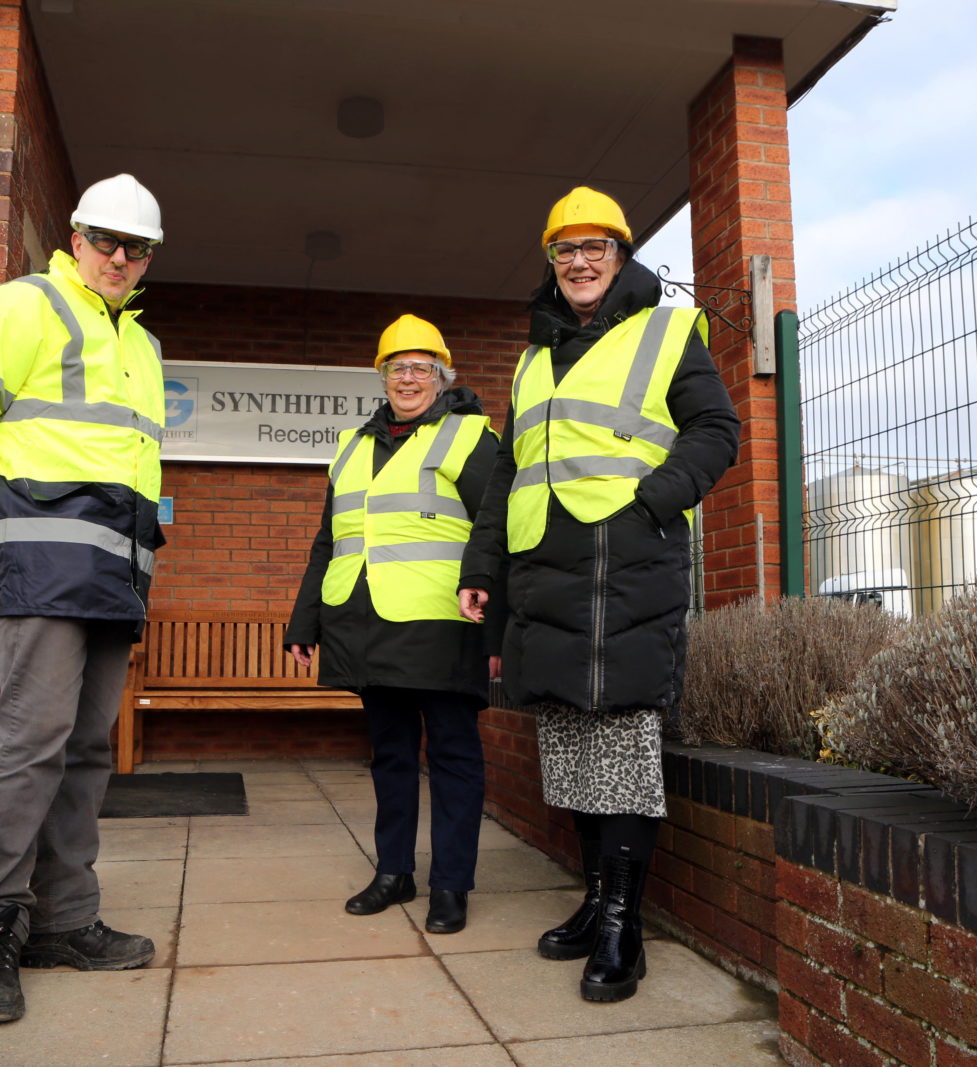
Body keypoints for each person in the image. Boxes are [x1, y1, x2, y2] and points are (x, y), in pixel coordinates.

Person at [458, 187, 740, 1002]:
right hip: (546, 571)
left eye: (595, 249)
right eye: (564, 250)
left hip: (627, 571)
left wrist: (653, 499)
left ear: (620, 257)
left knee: (620, 750)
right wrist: (484, 570)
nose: (579, 263)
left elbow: (716, 430)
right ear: (551, 263)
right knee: (574, 748)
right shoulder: (533, 355)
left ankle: (625, 925)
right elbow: (509, 471)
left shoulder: (665, 332)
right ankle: (594, 902)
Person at [0, 173, 169, 1026]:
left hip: (114, 575)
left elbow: (135, 467)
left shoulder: (141, 346)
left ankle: (64, 921)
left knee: (87, 749)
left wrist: (143, 566)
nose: (117, 256)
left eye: (134, 247)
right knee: (31, 743)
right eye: (105, 239)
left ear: (148, 261)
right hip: (39, 562)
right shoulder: (20, 306)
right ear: (75, 236)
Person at [285, 314, 500, 935]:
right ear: (382, 378)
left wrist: (496, 631)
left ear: (442, 376)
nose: (408, 378)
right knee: (391, 756)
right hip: (365, 622)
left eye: (420, 368)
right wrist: (306, 621)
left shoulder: (469, 436)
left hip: (444, 623)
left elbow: (495, 535)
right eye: (396, 368)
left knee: (455, 756)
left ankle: (451, 884)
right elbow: (331, 539)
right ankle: (394, 872)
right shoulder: (353, 446)